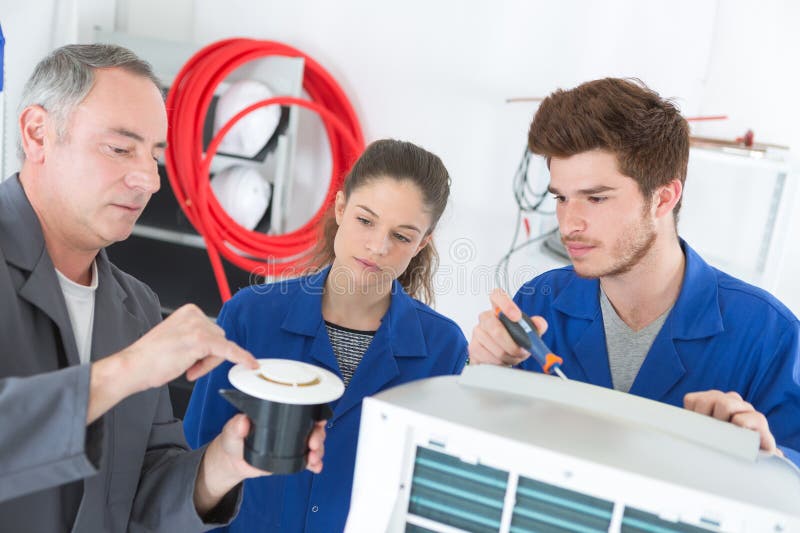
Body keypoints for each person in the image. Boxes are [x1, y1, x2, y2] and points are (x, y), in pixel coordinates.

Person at [0, 44, 325, 532]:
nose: (150, 180)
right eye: (120, 148)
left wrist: (224, 463)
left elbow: (139, 494)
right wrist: (130, 369)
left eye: (155, 155)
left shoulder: (137, 307)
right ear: (38, 133)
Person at [468, 78, 800, 465]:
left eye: (596, 198)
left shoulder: (768, 335)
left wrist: (770, 458)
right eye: (561, 198)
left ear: (663, 197)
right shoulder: (538, 304)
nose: (569, 223)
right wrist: (481, 375)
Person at [184, 139, 469, 532]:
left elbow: (432, 496)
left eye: (402, 236)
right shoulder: (250, 316)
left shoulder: (444, 349)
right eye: (365, 221)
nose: (377, 246)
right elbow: (192, 468)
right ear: (340, 208)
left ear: (422, 243)